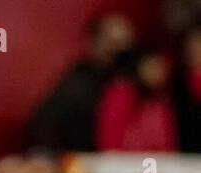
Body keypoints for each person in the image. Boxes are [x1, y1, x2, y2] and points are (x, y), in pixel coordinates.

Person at [28, 13, 137, 153]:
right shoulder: (79, 83)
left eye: (125, 48)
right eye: (112, 46)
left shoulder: (134, 86)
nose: (120, 56)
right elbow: (42, 127)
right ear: (93, 43)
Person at [97, 47, 179, 151]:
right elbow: (110, 139)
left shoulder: (161, 102)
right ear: (140, 67)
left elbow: (168, 144)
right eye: (152, 66)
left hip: (155, 164)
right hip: (121, 163)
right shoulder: (121, 94)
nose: (158, 72)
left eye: (161, 67)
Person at [174, 24, 201, 152]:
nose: (194, 50)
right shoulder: (175, 82)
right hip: (183, 154)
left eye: (198, 44)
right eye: (190, 45)